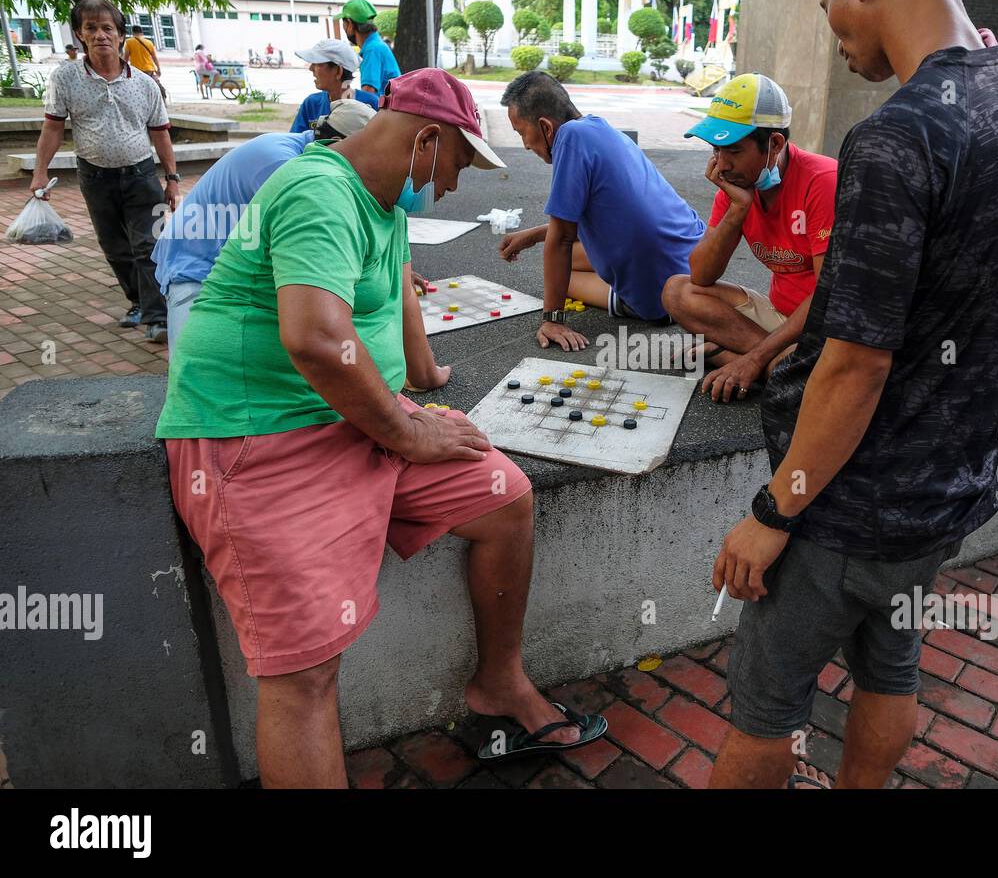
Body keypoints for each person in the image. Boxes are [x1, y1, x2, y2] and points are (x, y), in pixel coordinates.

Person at [706, 0, 998, 789]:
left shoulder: (893, 139)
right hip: (948, 488)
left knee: (764, 712)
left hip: (851, 502)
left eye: (829, 1)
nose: (835, 28)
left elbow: (855, 365)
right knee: (891, 665)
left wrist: (773, 514)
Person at [156, 68, 607, 788]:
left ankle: (498, 681)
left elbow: (393, 321)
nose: (453, 187)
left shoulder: (386, 209)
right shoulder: (317, 188)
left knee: (505, 497)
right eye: (456, 165)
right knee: (305, 675)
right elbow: (313, 336)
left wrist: (420, 398)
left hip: (361, 422)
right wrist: (407, 433)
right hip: (258, 441)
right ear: (426, 139)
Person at [498, 71, 705, 349]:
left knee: (559, 273)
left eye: (522, 132)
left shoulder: (568, 139)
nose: (524, 144)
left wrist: (552, 318)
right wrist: (534, 235)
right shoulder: (600, 129)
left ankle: (631, 298)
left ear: (546, 127)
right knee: (559, 260)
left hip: (660, 294)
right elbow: (608, 218)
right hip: (692, 263)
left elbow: (561, 239)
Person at [663, 73, 836, 402]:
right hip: (776, 322)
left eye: (733, 151)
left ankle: (741, 357)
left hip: (819, 327)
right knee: (677, 291)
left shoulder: (822, 182)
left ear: (774, 145)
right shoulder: (737, 187)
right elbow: (701, 275)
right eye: (716, 149)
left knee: (798, 373)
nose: (721, 165)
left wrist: (752, 358)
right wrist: (738, 209)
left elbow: (828, 296)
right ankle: (776, 367)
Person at [153, 100, 378, 343]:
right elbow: (309, 250)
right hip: (195, 268)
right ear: (338, 143)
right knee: (192, 368)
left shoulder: (301, 152)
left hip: (227, 267)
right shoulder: (285, 166)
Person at [31, 0, 178, 344]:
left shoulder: (144, 84)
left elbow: (161, 134)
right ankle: (138, 302)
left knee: (149, 244)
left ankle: (158, 318)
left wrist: (171, 179)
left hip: (141, 177)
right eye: (91, 28)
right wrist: (40, 172)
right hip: (95, 177)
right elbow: (52, 128)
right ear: (80, 35)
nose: (100, 35)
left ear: (120, 34)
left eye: (107, 28)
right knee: (114, 247)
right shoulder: (65, 79)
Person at [289, 38, 380, 134]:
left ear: (338, 71)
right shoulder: (311, 104)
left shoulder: (372, 103)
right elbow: (294, 141)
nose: (311, 68)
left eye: (317, 64)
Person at [340, 0, 400, 96]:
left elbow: (368, 92)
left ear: (350, 24)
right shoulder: (377, 45)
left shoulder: (372, 50)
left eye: (343, 23)